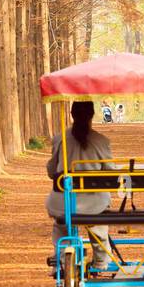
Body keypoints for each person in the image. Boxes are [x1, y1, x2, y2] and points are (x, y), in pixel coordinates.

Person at [47, 100, 115, 269]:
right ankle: (101, 260)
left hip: (64, 203)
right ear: (92, 115)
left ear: (72, 114)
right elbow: (111, 172)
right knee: (98, 224)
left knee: (61, 227)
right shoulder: (101, 141)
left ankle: (61, 259)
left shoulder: (59, 139)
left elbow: (51, 171)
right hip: (95, 204)